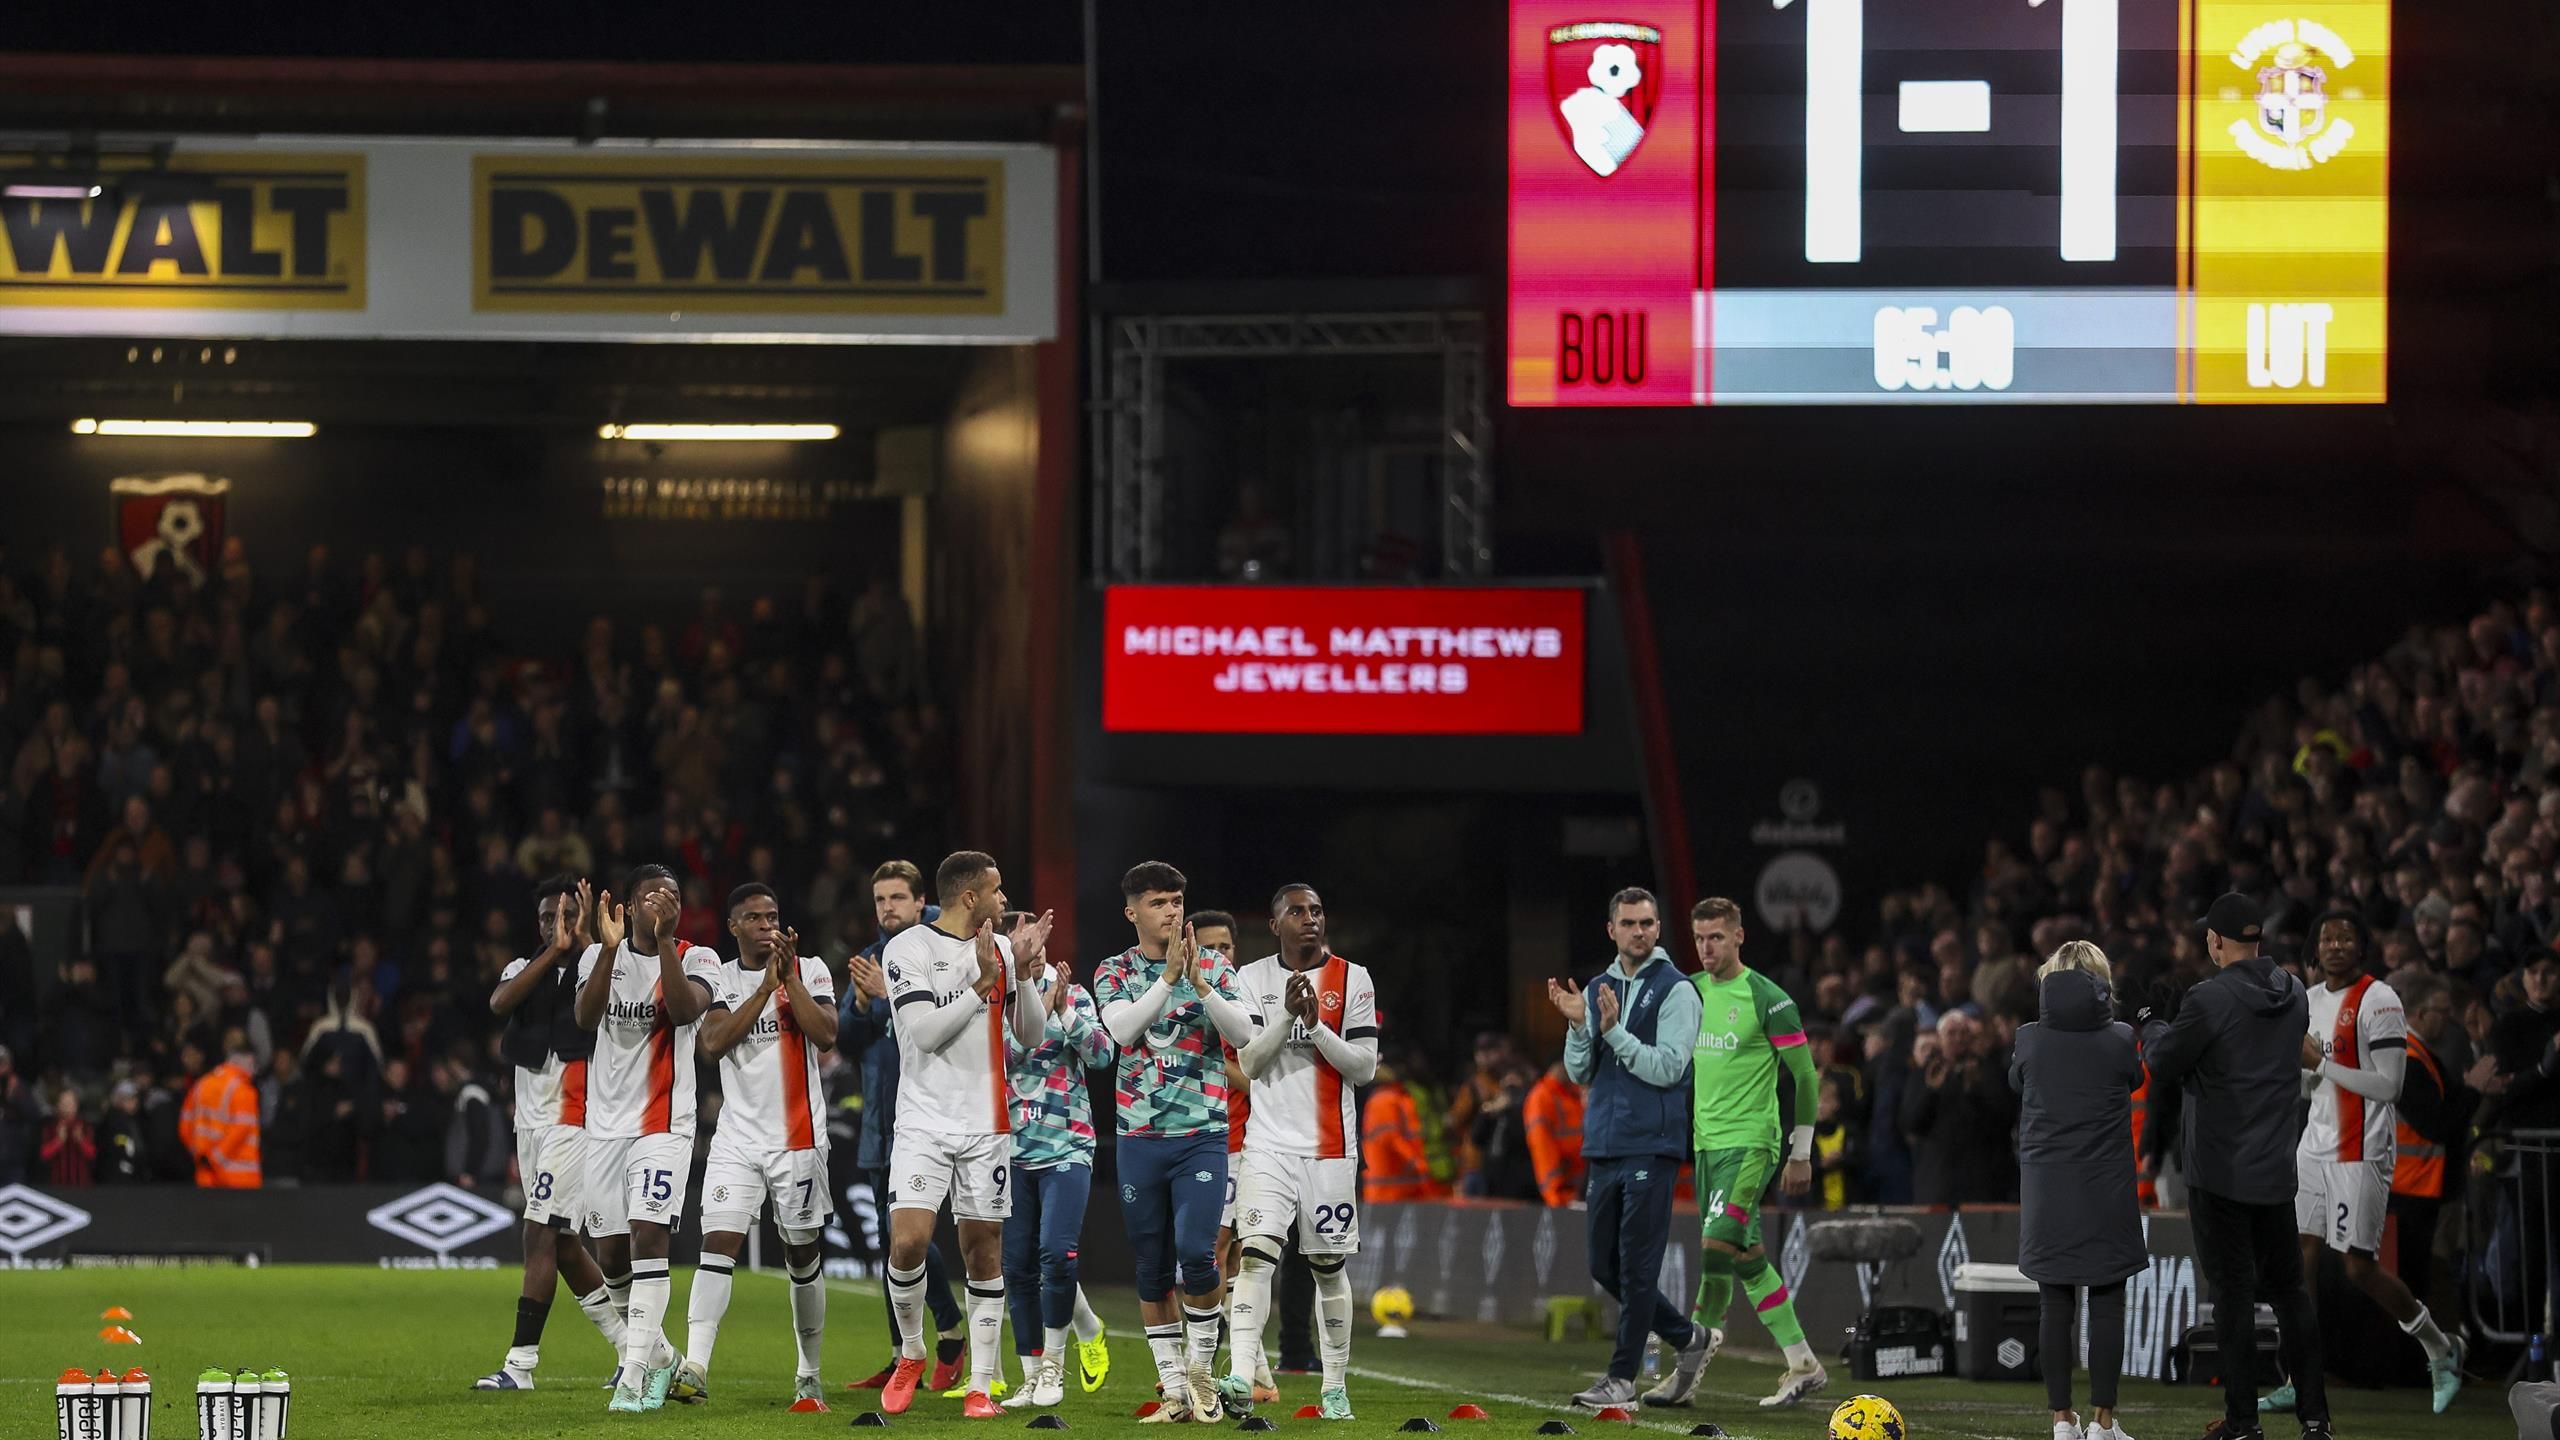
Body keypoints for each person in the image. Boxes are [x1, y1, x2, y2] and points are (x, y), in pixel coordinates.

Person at [2138, 893, 2330, 1440]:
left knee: (2233, 1298)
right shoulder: (2293, 991)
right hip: (2273, 1170)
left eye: (2208, 936)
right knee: (2291, 1294)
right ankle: (2316, 1421)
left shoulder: (2209, 997)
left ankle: (2244, 1423)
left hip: (2220, 1172)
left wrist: (2153, 1021)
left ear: (2218, 941)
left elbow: (2163, 1062)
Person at [2261, 910, 2465, 1418]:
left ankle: (2441, 1349)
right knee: (2298, 1260)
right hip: (2315, 1144)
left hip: (2362, 1150)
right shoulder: (2307, 1002)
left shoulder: (2380, 1000)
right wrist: (2303, 1076)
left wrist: (2321, 1065)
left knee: (2359, 1269)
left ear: (2362, 947)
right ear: (2315, 948)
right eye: (2327, 938)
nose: (2335, 945)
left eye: (2346, 937)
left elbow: (2390, 1086)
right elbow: (2311, 1084)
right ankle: (2299, 1376)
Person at [876, 850, 1048, 1417]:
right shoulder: (910, 949)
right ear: (969, 896)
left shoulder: (999, 948)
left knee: (984, 1253)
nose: (1005, 900)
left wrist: (1022, 976)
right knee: (908, 1244)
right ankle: (912, 1351)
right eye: (997, 890)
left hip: (986, 1124)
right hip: (924, 1121)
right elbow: (924, 1034)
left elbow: (1027, 1036)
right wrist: (982, 986)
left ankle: (979, 1386)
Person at [1093, 860, 1257, 1423]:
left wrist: (1200, 986)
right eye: (1159, 903)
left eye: (1177, 902)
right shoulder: (1114, 971)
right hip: (1140, 1137)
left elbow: (1245, 1036)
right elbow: (1121, 1031)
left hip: (1203, 1136)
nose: (1171, 912)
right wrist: (1167, 979)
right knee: (1151, 1265)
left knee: (1197, 1254)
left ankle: (1202, 1376)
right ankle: (1172, 1391)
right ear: (1132, 912)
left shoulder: (1211, 965)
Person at [674, 883, 840, 1411]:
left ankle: (808, 1376)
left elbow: (827, 1034)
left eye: (772, 915)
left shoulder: (810, 969)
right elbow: (713, 1042)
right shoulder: (720, 976)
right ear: (734, 926)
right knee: (717, 1243)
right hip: (738, 1138)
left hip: (799, 1137)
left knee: (802, 1254)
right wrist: (765, 991)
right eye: (755, 918)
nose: (767, 925)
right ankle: (695, 1367)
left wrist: (788, 980)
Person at [1654, 896, 1825, 1410]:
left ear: (1738, 937)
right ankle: (1803, 1364)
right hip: (1706, 1147)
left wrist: (1801, 1151)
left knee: (1716, 1244)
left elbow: (1805, 1076)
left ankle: (1689, 1361)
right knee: (1747, 1260)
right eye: (1700, 938)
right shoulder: (1690, 992)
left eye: (1717, 938)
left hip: (1754, 1144)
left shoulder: (1767, 998)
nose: (1707, 949)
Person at [1223, 883, 1380, 1421]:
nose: (1309, 919)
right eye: (1296, 911)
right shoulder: (1251, 979)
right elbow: (1249, 1063)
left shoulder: (1353, 978)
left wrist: (1314, 1027)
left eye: (1315, 910)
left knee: (1327, 1267)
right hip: (1267, 1146)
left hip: (1330, 1150)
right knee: (1257, 1254)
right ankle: (1242, 1372)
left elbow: (1364, 1068)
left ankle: (1334, 1386)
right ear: (1276, 925)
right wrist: (1286, 1019)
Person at [1548, 887, 1709, 1411]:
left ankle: (1621, 1379)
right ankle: (1689, 1338)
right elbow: (1579, 1072)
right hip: (1604, 1143)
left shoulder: (1678, 990)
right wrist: (1578, 1025)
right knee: (1603, 1265)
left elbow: (1669, 1068)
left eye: (1648, 923)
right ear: (1611, 930)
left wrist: (1614, 1032)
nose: (1639, 931)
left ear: (1658, 929)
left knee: (1638, 1268)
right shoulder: (1598, 986)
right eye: (1629, 923)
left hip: (1652, 1144)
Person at [573, 866, 720, 1414]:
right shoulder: (596, 958)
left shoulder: (698, 956)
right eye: (651, 895)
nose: (665, 901)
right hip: (604, 1129)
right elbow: (585, 1019)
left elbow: (683, 1011)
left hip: (664, 1126)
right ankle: (664, 1360)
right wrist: (609, 952)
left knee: (647, 1237)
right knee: (610, 1255)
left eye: (674, 895)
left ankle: (633, 1375)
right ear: (628, 907)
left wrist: (662, 945)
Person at [474, 875, 624, 1392]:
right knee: (560, 1244)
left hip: (573, 1119)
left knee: (536, 1233)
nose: (553, 925)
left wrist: (583, 945)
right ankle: (635, 1349)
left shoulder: (598, 967)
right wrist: (551, 951)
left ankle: (520, 1366)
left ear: (580, 916)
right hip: (530, 1123)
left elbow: (599, 1010)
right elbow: (499, 1004)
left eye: (564, 914)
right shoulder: (523, 967)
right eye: (544, 918)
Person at [841, 860, 969, 1394]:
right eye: (879, 900)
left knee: (919, 1237)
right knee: (894, 1243)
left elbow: (928, 1027)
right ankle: (901, 1357)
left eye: (897, 898)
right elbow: (843, 1040)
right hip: (882, 1123)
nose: (887, 908)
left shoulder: (947, 950)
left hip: (944, 1117)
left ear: (922, 903)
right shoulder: (872, 961)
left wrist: (881, 1000)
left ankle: (957, 1337)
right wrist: (867, 1002)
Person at [2010, 942, 2144, 1440]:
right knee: (2107, 1303)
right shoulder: (2121, 1038)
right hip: (2106, 1187)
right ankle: (2103, 1425)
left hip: (2048, 1189)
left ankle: (2061, 1422)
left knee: (2055, 1305)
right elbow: (2135, 1077)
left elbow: (2015, 1082)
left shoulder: (2029, 1039)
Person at [996, 908, 1113, 1409]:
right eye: (1024, 940)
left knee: (1057, 1254)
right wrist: (1040, 1004)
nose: (1035, 947)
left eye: (1040, 939)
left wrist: (1065, 1009)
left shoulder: (1076, 993)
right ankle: (1032, 1373)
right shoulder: (992, 997)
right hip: (1011, 1147)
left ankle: (1053, 1371)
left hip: (1067, 1144)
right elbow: (1004, 1054)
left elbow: (1103, 1056)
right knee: (1017, 1266)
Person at [2390, 973, 2500, 1311]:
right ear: (2420, 1014)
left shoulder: (2420, 1054)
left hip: (2421, 1189)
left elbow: (2450, 1105)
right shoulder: (2407, 1059)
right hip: (2410, 1191)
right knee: (2418, 1284)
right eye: (2442, 1011)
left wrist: (2472, 1086)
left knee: (2426, 1280)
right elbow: (2438, 1123)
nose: (2449, 1020)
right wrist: (2472, 1090)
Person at [180, 1036, 261, 1188]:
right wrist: (215, 1158)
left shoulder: (201, 1085)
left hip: (206, 1176)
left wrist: (200, 1155)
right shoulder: (243, 1090)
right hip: (239, 1178)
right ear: (247, 1061)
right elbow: (240, 1130)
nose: (254, 1071)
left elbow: (185, 1127)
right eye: (253, 1064)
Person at [1522, 1060, 1586, 1209]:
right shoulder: (1542, 1097)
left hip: (1581, 1189)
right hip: (1564, 1196)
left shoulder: (1574, 1095)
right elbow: (1542, 1148)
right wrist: (1556, 1196)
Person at [40, 1088, 94, 1186]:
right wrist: (58, 1141)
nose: (67, 1107)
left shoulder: (85, 1126)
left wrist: (80, 1140)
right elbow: (44, 1155)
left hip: (81, 1186)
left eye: (70, 1103)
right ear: (58, 1105)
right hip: (56, 1185)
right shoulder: (50, 1127)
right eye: (64, 1104)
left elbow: (92, 1154)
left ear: (76, 1106)